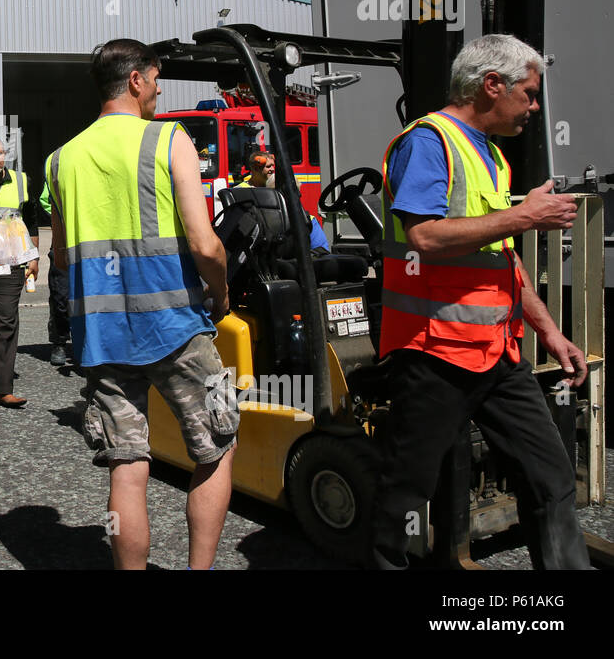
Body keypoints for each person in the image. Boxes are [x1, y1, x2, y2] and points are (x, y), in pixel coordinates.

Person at [371, 34, 590, 569]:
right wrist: (526, 216)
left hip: (497, 352)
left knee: (551, 478)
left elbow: (501, 260)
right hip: (435, 355)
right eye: (530, 93)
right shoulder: (427, 142)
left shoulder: (490, 155)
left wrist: (551, 333)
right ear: (492, 84)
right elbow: (425, 237)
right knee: (406, 494)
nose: (534, 108)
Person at [50, 39, 238, 569]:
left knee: (126, 463)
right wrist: (219, 295)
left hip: (102, 337)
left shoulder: (61, 159)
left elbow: (62, 258)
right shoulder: (168, 139)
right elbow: (205, 245)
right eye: (156, 80)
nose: (158, 91)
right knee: (217, 447)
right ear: (136, 80)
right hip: (178, 326)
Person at [0, 135, 40, 407]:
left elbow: (33, 221)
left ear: (5, 155)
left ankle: (1, 388)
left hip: (12, 262)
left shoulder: (21, 181)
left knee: (4, 320)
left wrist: (33, 257)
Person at [234, 150, 330, 253]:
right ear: (255, 168)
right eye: (268, 166)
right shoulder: (240, 191)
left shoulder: (274, 183)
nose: (272, 169)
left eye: (272, 166)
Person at [39, 158, 74, 368]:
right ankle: (59, 341)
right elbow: (46, 200)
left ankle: (82, 342)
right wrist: (67, 219)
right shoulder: (58, 173)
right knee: (61, 296)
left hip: (88, 242)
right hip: (62, 241)